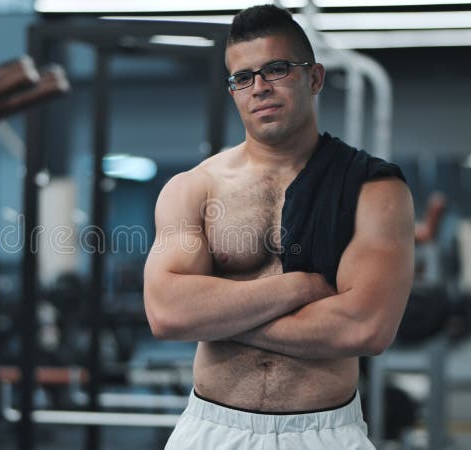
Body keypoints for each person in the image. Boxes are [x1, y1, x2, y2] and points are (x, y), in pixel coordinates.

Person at [143, 4, 414, 449]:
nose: (260, 88)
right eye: (243, 77)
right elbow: (168, 313)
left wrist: (214, 318)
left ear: (315, 78)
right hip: (212, 429)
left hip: (324, 434)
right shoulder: (194, 188)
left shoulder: (374, 189)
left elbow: (365, 328)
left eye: (276, 69)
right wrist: (298, 288)